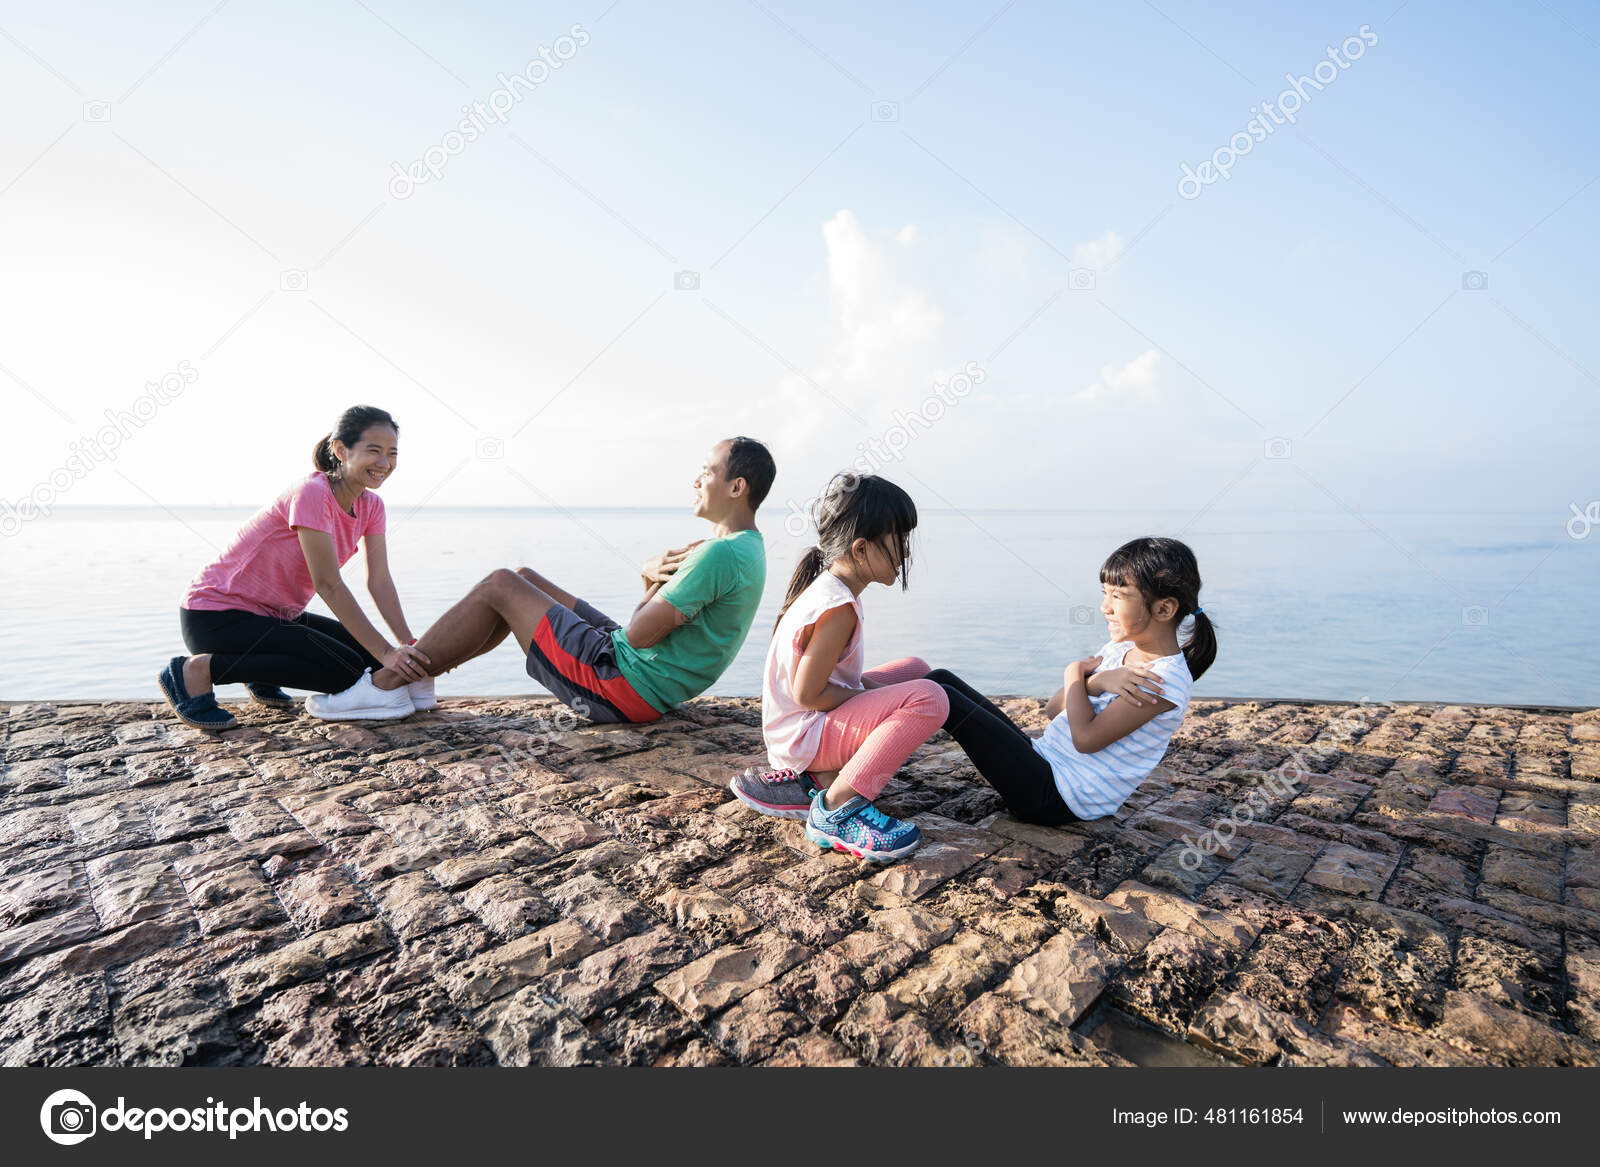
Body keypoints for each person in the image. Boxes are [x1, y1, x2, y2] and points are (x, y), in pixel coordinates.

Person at [307, 437, 775, 723]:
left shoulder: (718, 554)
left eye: (707, 472)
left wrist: (646, 577)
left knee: (499, 584)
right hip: (642, 677)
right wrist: (652, 580)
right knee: (523, 577)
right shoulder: (747, 548)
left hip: (622, 686)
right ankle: (420, 681)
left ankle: (387, 684)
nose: (696, 480)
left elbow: (637, 635)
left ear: (737, 487)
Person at [157, 405, 432, 731]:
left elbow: (380, 581)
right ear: (341, 450)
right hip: (216, 616)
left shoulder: (371, 506)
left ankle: (259, 675)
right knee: (345, 671)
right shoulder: (312, 493)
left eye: (392, 453)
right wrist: (387, 651)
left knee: (371, 667)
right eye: (374, 450)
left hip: (274, 616)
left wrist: (408, 646)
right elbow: (328, 584)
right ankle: (196, 671)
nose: (384, 463)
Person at [730, 473, 947, 863]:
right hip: (803, 738)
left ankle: (814, 782)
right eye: (899, 539)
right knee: (930, 698)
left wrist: (872, 695)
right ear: (861, 549)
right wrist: (872, 698)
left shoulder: (831, 587)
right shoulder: (837, 608)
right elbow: (808, 694)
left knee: (917, 669)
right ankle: (837, 808)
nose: (905, 553)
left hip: (803, 730)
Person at [927, 536, 1215, 824]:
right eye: (1105, 593)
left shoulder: (1160, 680)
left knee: (943, 697)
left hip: (1058, 795)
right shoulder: (1121, 650)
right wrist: (1096, 683)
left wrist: (1074, 672)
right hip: (1045, 759)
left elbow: (1086, 740)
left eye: (1118, 596)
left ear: (1164, 609)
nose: (1105, 607)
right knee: (940, 679)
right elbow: (1054, 709)